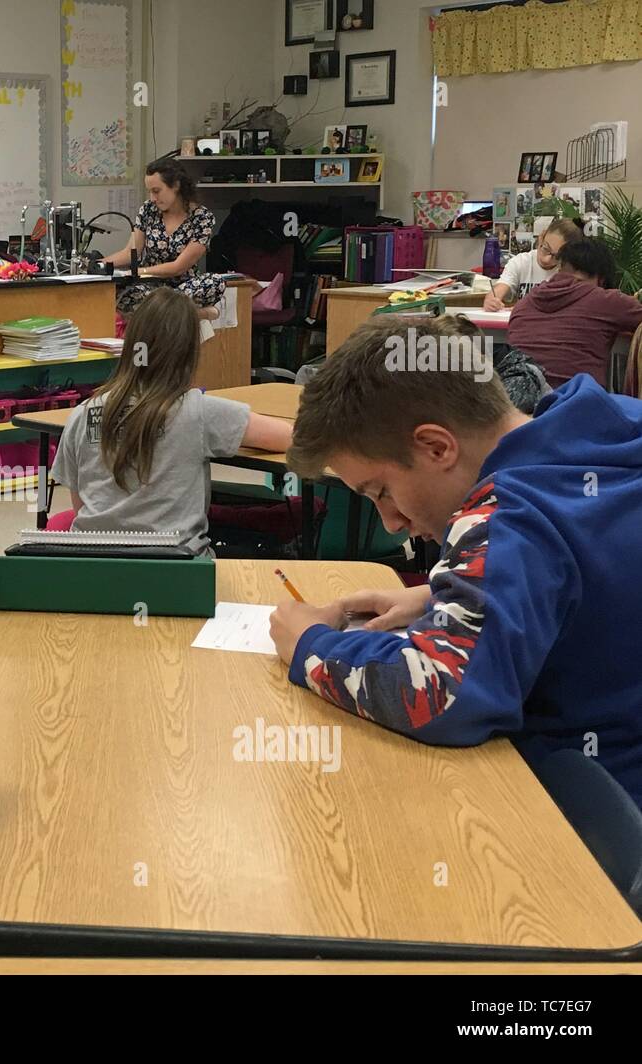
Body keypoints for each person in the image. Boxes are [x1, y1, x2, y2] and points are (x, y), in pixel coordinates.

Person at [269, 315, 642, 809]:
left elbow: (443, 696)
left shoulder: (507, 517)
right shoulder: (608, 423)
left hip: (592, 818)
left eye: (381, 491)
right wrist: (436, 593)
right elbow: (593, 558)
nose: (391, 524)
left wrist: (310, 645)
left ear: (437, 446)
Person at [50, 289, 293, 553]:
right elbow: (292, 438)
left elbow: (81, 505)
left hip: (89, 566)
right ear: (189, 351)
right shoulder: (199, 410)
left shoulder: (83, 414)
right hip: (176, 570)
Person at [507, 238, 642, 389]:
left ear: (560, 268)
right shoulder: (607, 301)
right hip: (576, 405)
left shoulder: (523, 305)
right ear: (601, 280)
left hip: (518, 405)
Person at [102, 160, 228, 320]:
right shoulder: (148, 210)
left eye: (156, 191)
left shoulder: (202, 217)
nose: (152, 198)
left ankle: (162, 308)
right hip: (150, 286)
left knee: (215, 282)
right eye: (150, 192)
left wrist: (139, 271)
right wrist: (99, 264)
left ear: (175, 185)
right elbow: (130, 253)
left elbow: (178, 267)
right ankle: (194, 313)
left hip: (186, 285)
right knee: (125, 295)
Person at [482, 217, 584, 311]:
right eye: (545, 248)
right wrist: (492, 300)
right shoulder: (521, 262)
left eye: (557, 256)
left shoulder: (570, 271)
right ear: (541, 237)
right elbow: (501, 287)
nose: (547, 259)